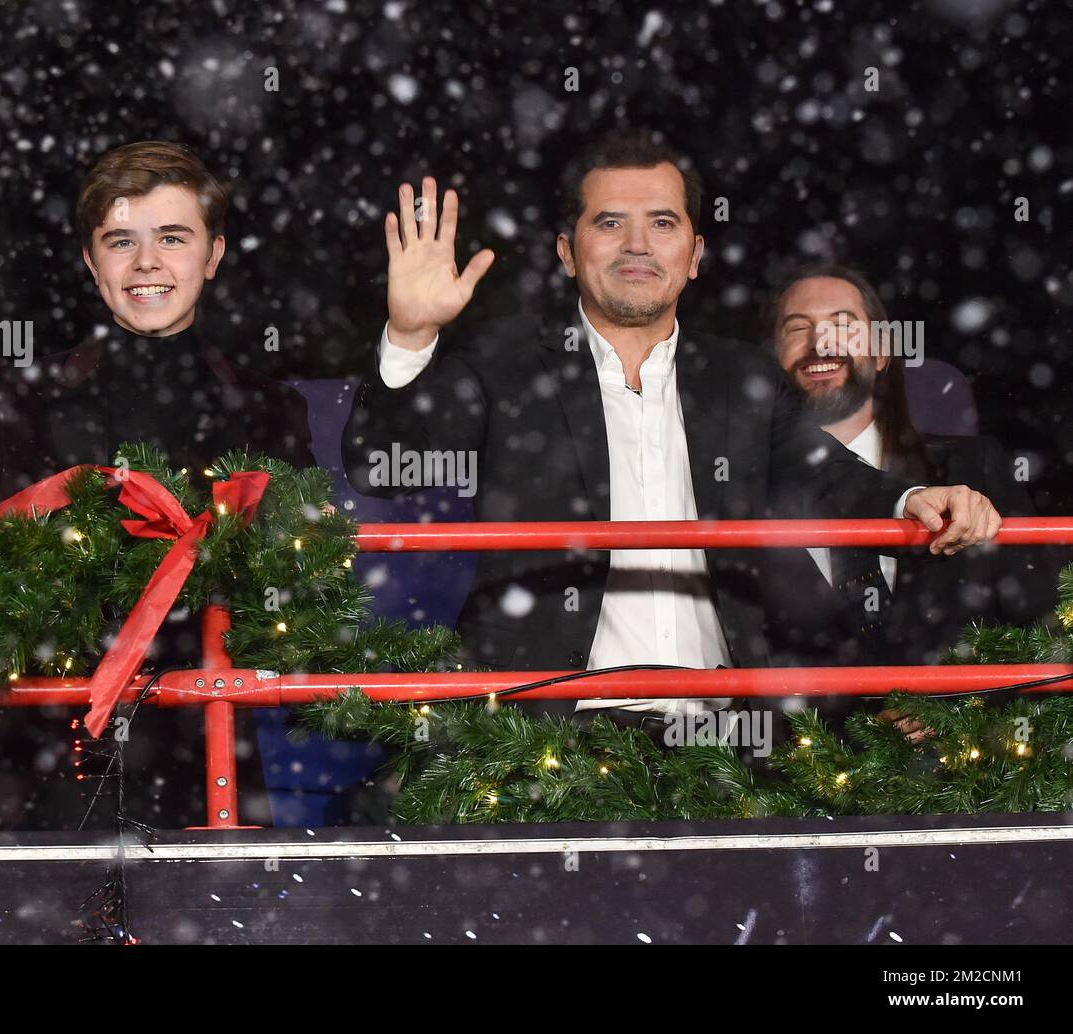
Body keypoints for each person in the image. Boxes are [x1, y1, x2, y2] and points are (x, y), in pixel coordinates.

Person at [342, 129, 1002, 734]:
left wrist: (905, 500)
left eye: (662, 223)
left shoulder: (741, 376)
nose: (637, 245)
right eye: (610, 223)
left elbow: (824, 472)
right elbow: (380, 465)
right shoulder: (503, 370)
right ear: (568, 253)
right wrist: (411, 333)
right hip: (544, 739)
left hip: (723, 742)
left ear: (694, 254)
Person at [0, 140, 315, 830]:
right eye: (121, 241)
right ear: (92, 264)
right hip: (25, 748)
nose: (147, 262)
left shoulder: (272, 410)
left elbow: (292, 584)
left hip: (195, 740)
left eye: (173, 238)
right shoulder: (14, 393)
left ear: (213, 256)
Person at [760, 264, 1059, 738]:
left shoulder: (973, 467)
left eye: (842, 325)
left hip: (970, 781)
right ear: (772, 357)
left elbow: (1042, 626)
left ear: (881, 352)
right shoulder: (744, 492)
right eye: (797, 328)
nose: (820, 342)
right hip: (796, 783)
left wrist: (960, 711)